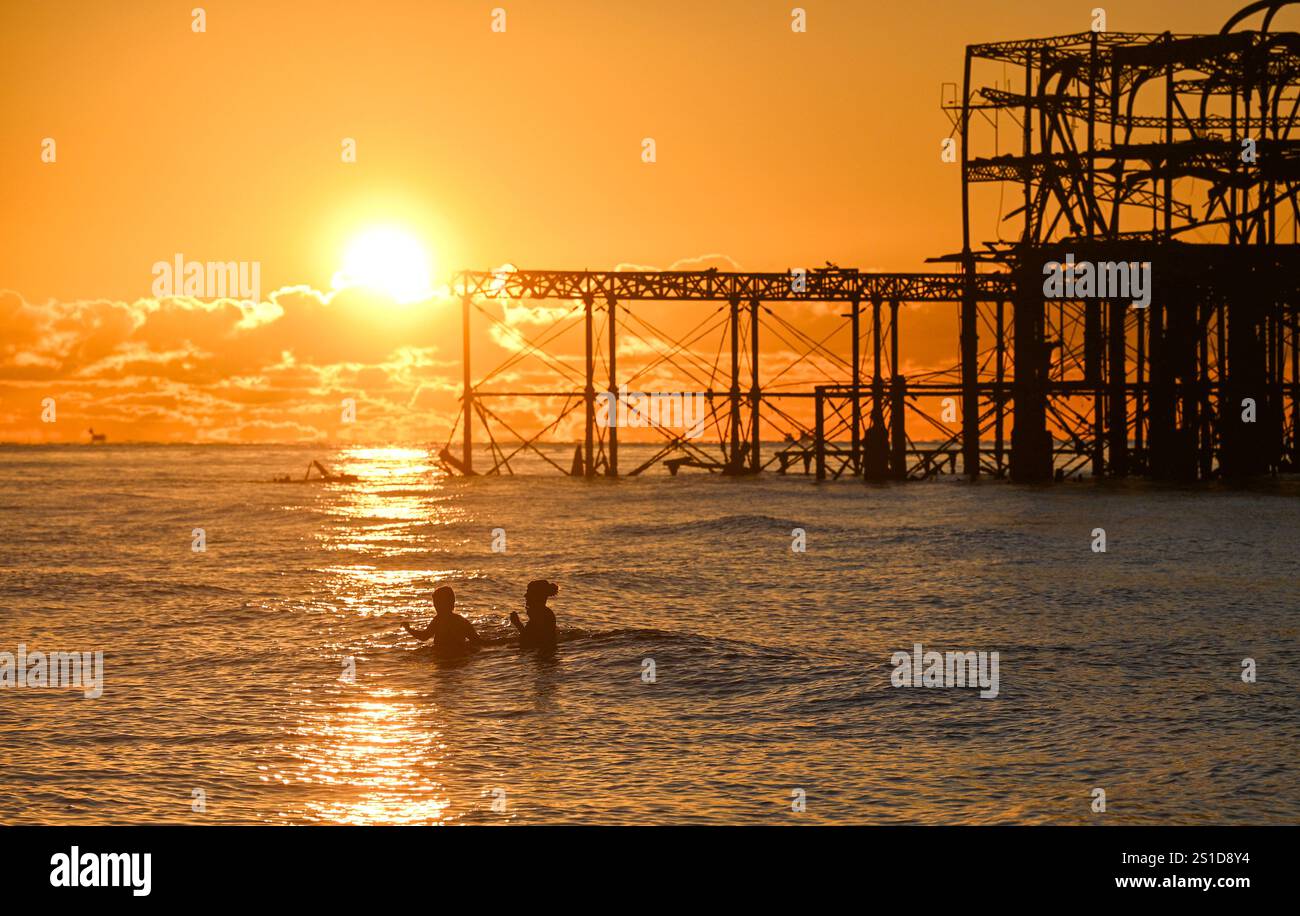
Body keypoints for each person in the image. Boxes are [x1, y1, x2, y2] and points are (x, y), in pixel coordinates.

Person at [404, 585, 481, 656]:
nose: (435, 606)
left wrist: (408, 629)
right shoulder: (461, 621)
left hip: (443, 656)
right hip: (460, 658)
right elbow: (477, 641)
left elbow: (424, 636)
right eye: (435, 603)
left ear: (448, 603)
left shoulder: (439, 620)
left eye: (437, 603)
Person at [511, 579, 559, 651]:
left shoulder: (543, 614)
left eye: (529, 593)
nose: (525, 595)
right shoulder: (543, 613)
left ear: (537, 596)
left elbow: (531, 639)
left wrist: (517, 623)